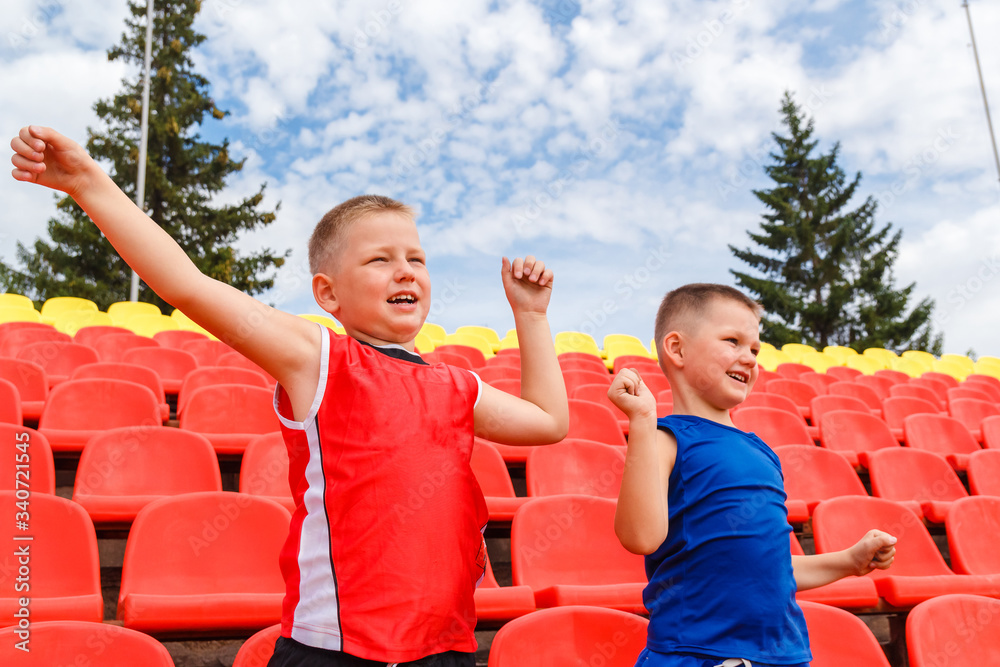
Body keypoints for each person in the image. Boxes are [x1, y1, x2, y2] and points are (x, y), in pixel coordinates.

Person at [11, 126, 569, 666]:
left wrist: (531, 315)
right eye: (380, 259)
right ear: (328, 292)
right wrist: (88, 183)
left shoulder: (457, 385)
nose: (406, 270)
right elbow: (186, 284)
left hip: (446, 644)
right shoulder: (318, 357)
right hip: (337, 648)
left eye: (416, 259)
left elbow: (547, 422)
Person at [607, 283, 896, 667]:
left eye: (755, 349)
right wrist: (643, 422)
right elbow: (640, 536)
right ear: (676, 349)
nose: (749, 358)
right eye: (733, 341)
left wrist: (848, 561)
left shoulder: (762, 452)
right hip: (699, 654)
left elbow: (771, 564)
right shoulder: (665, 439)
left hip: (782, 654)